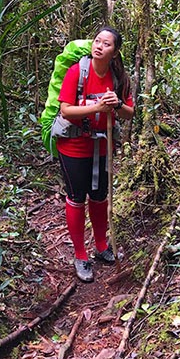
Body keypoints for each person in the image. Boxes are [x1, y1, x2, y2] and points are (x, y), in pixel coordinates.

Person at [56, 26, 134, 282]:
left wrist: (117, 104)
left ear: (115, 51)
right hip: (74, 145)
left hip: (104, 145)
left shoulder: (119, 77)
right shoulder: (77, 72)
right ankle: (81, 254)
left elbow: (129, 112)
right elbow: (66, 111)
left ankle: (101, 246)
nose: (99, 45)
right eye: (97, 41)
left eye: (106, 43)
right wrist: (97, 107)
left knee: (99, 196)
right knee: (77, 197)